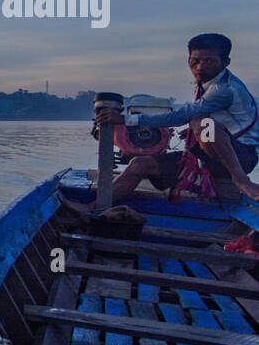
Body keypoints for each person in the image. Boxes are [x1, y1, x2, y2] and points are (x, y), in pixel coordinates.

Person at [67, 32, 259, 212]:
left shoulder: (224, 89)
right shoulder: (206, 84)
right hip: (209, 156)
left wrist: (125, 119)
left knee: (202, 122)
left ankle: (240, 180)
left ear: (225, 62)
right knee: (139, 164)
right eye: (196, 61)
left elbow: (179, 116)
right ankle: (93, 208)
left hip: (241, 157)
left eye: (210, 61)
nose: (200, 67)